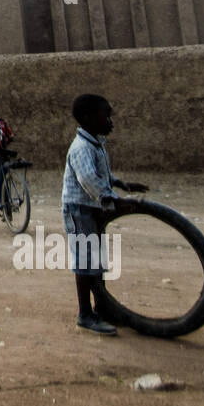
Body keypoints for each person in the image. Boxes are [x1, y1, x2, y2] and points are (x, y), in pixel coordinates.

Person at [63, 93, 148, 335]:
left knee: (98, 261)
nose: (111, 122)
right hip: (79, 210)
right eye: (106, 116)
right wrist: (112, 199)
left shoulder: (95, 144)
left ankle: (102, 307)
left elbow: (102, 175)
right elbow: (88, 179)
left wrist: (122, 184)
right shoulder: (81, 148)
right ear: (89, 118)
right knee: (85, 261)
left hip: (93, 209)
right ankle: (85, 314)